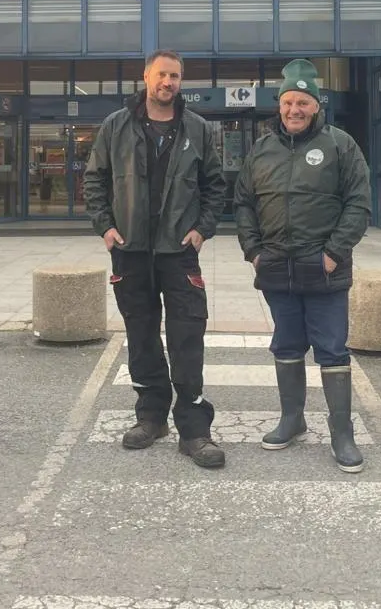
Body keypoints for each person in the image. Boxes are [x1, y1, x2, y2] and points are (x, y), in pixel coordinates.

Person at [83, 49, 227, 468]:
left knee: (187, 337)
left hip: (178, 252)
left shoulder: (197, 129)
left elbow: (215, 186)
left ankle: (194, 428)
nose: (169, 82)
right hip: (130, 250)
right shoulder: (117, 126)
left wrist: (202, 230)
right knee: (141, 335)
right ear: (146, 76)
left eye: (176, 76)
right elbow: (95, 178)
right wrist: (105, 228)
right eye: (162, 74)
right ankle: (150, 416)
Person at [233, 59, 372, 473]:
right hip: (277, 268)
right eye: (288, 101)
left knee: (332, 350)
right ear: (279, 105)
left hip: (324, 269)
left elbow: (359, 204)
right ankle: (292, 420)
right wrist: (254, 251)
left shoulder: (340, 145)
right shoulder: (261, 149)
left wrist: (332, 254)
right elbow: (243, 203)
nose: (295, 109)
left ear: (317, 105)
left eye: (303, 102)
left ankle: (341, 433)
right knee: (287, 346)